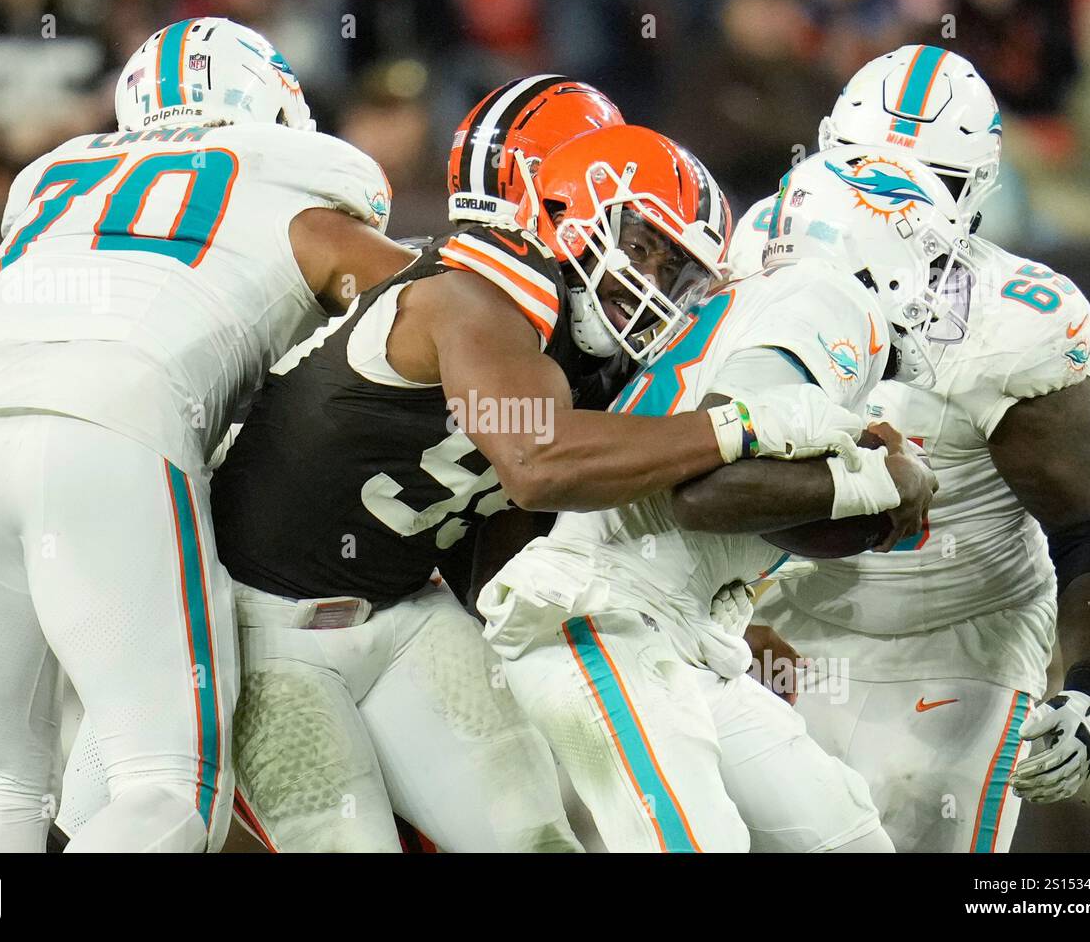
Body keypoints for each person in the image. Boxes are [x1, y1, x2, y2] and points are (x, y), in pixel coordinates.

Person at [208, 124, 851, 850]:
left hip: (408, 610)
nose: (654, 285)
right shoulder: (472, 296)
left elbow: (514, 531)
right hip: (264, 627)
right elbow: (538, 462)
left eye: (677, 271)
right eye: (642, 246)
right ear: (565, 214)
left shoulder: (574, 349)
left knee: (533, 838)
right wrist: (741, 426)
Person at [0, 18, 414, 853]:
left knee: (3, 792)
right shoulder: (295, 187)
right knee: (169, 791)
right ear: (271, 107)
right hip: (106, 419)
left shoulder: (61, 180)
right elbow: (434, 307)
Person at [477, 145, 954, 852]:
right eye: (936, 262)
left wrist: (872, 512)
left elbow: (768, 507)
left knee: (848, 838)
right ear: (876, 238)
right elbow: (710, 491)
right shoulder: (828, 297)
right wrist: (877, 484)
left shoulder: (771, 303)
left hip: (683, 632)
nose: (944, 289)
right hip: (604, 612)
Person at [731, 45, 1090, 852]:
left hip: (962, 639)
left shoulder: (1015, 319)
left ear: (975, 192)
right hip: (795, 622)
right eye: (865, 175)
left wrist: (1087, 688)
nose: (891, 209)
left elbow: (1089, 530)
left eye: (927, 187)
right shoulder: (757, 249)